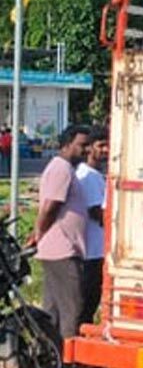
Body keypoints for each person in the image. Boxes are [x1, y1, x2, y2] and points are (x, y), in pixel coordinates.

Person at [30, 125, 91, 355]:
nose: (86, 150)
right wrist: (39, 232)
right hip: (62, 250)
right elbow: (50, 207)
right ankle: (67, 362)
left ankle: (49, 358)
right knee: (71, 309)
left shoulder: (64, 169)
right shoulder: (61, 169)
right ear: (66, 145)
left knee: (54, 311)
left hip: (58, 249)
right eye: (82, 145)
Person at [76, 128, 109, 327]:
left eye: (107, 145)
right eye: (100, 145)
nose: (105, 150)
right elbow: (97, 213)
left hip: (96, 250)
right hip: (91, 251)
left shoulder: (95, 175)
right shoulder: (88, 176)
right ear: (89, 148)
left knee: (91, 301)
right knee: (86, 303)